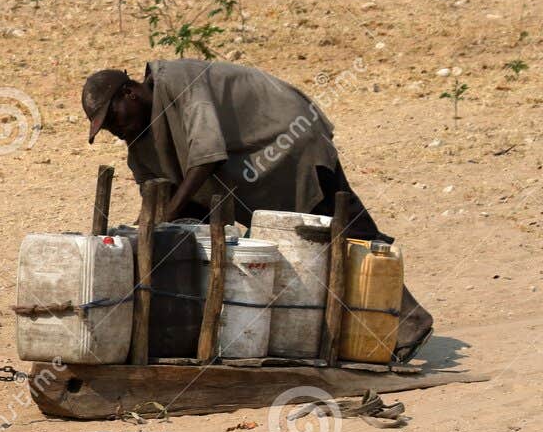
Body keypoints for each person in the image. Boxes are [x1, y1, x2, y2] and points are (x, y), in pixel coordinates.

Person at [81, 58, 432, 361]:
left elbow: (207, 156)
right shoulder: (140, 139)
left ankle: (409, 322)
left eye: (112, 118)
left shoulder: (179, 79)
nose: (114, 130)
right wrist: (140, 239)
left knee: (342, 231)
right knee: (197, 239)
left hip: (289, 138)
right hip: (252, 170)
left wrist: (167, 218)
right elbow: (154, 202)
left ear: (130, 92)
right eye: (106, 128)